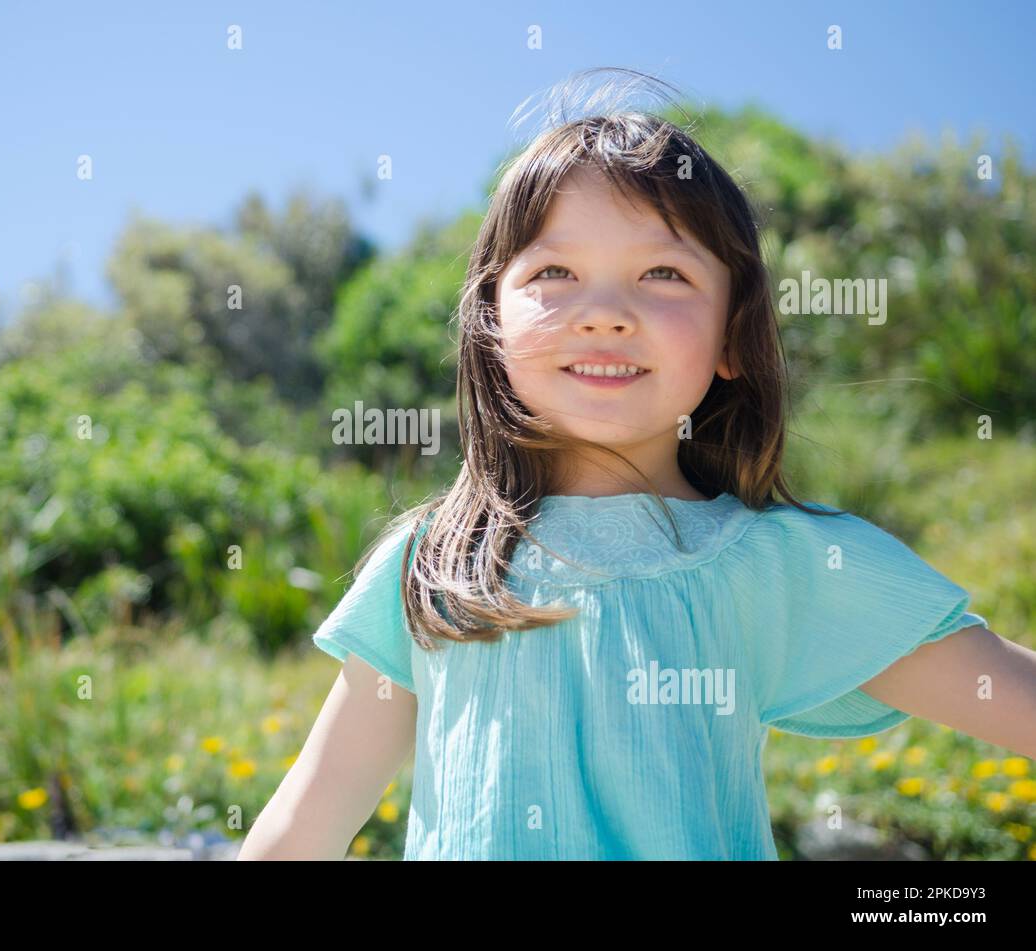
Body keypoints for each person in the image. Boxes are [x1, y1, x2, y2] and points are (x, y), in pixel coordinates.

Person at [237, 72, 1036, 861]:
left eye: (665, 274)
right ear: (490, 323)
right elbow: (302, 829)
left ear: (732, 335)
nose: (607, 311)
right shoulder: (434, 567)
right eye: (554, 273)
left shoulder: (781, 562)